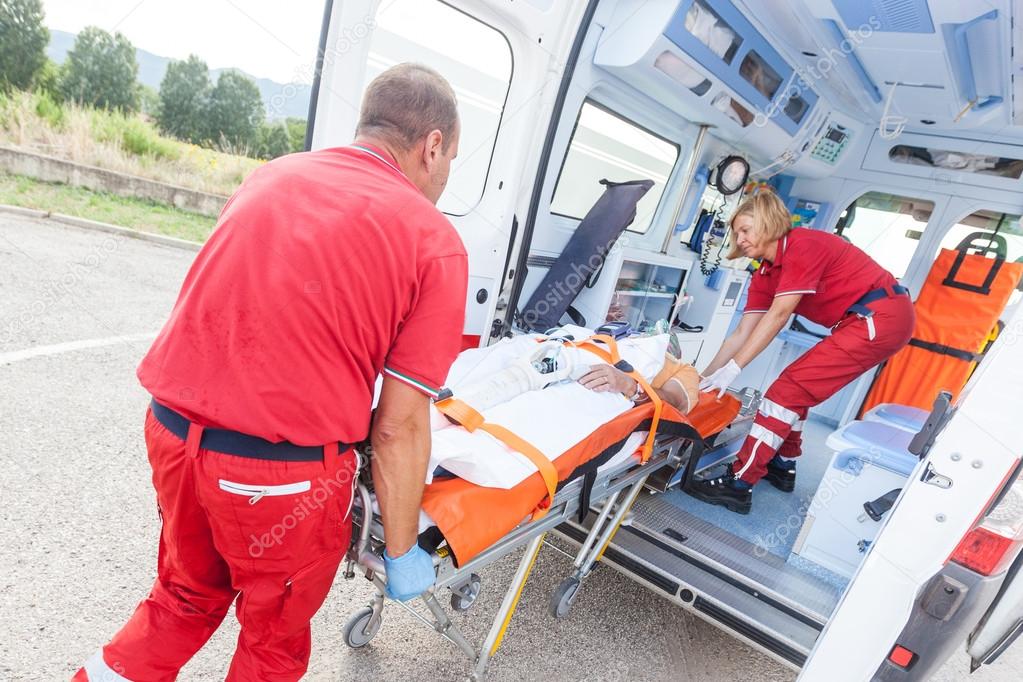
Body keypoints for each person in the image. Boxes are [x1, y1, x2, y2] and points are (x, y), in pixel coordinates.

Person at [74, 63, 467, 681]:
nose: (444, 179)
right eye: (450, 162)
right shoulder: (432, 240)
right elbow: (398, 427)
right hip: (276, 479)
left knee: (181, 599)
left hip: (172, 434)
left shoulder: (274, 174)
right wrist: (399, 550)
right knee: (272, 642)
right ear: (433, 145)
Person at [686, 188, 914, 514]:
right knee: (798, 387)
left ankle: (738, 483)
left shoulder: (802, 245)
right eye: (737, 234)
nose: (740, 238)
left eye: (746, 230)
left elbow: (778, 315)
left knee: (786, 391)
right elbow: (742, 333)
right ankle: (783, 464)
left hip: (882, 317)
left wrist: (734, 369)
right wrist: (703, 379)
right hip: (864, 320)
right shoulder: (765, 272)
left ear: (767, 223)